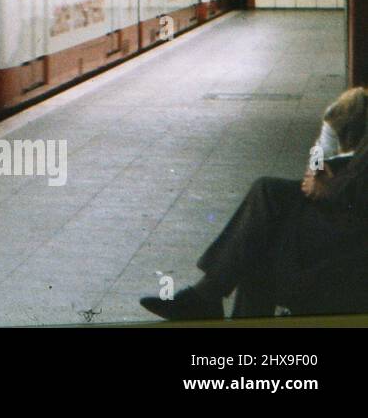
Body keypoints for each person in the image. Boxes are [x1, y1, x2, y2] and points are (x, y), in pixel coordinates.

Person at [140, 87, 368, 320]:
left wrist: (327, 189)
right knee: (264, 202)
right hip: (344, 217)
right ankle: (207, 295)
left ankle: (206, 295)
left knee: (260, 237)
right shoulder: (348, 109)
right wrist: (317, 170)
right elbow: (323, 152)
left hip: (351, 234)